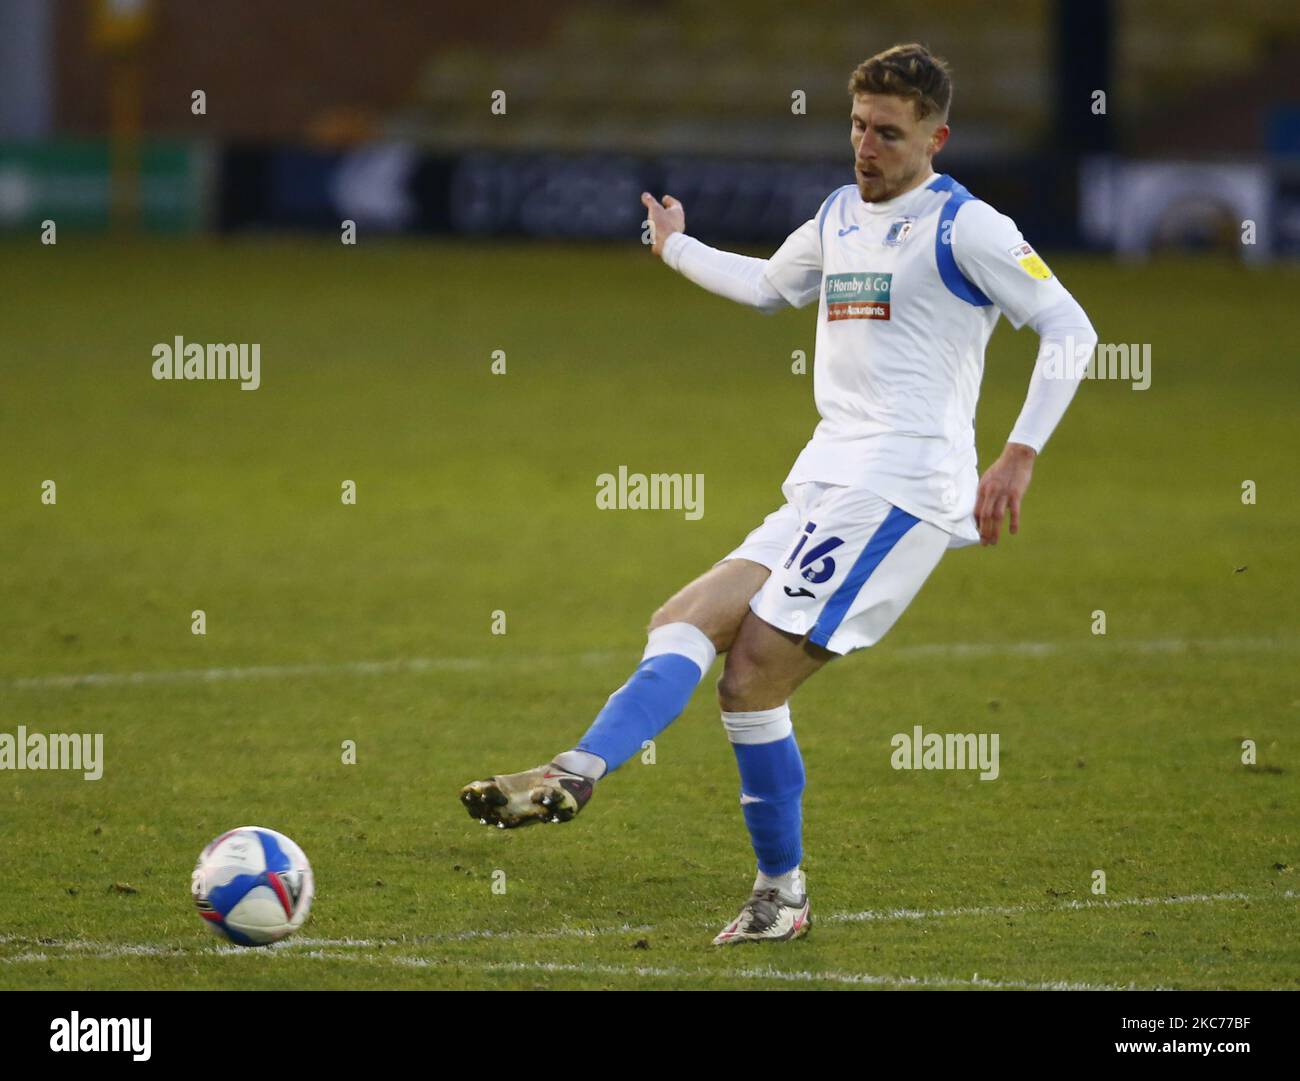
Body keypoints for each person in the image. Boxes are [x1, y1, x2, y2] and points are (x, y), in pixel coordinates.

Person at [460, 42, 1097, 946]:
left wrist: (1019, 452)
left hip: (903, 487)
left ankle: (778, 895)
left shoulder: (969, 228)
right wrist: (677, 245)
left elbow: (1070, 326)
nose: (865, 148)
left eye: (887, 133)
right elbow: (767, 286)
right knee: (683, 617)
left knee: (752, 674)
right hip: (824, 476)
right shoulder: (841, 213)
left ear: (936, 138)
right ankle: (577, 770)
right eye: (856, 128)